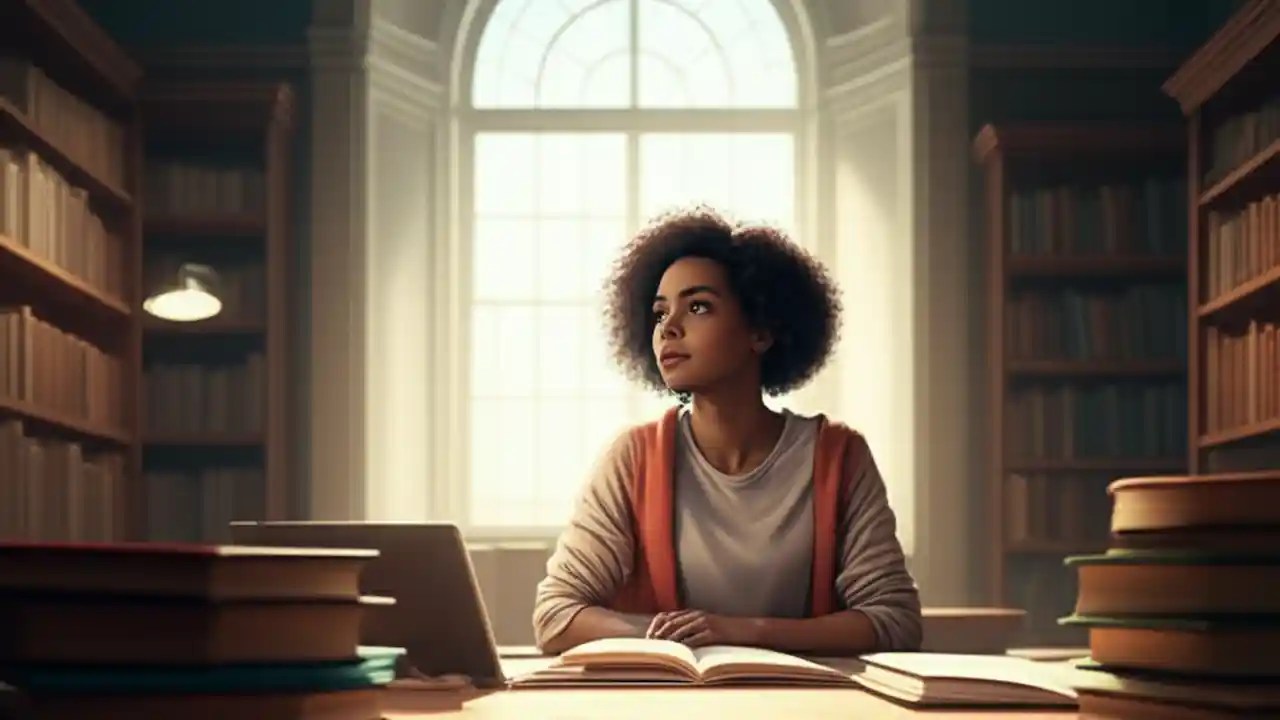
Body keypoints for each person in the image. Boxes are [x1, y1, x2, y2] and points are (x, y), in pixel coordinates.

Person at [532, 206, 922, 656]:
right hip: (669, 695)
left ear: (761, 332)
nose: (668, 328)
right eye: (659, 313)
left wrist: (743, 632)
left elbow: (894, 620)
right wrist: (668, 638)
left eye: (698, 306)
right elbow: (555, 616)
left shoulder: (839, 456)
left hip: (802, 695)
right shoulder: (634, 458)